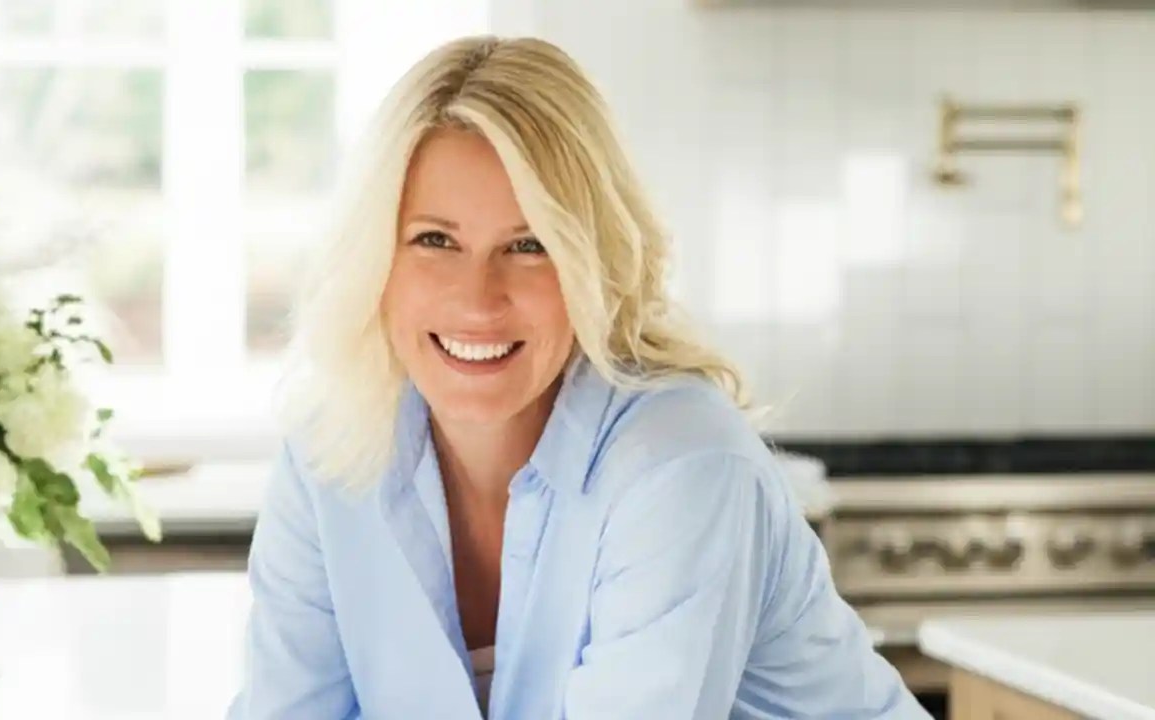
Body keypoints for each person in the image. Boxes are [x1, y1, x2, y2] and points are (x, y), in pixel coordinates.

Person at [227, 35, 927, 720]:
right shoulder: (331, 448)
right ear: (375, 256)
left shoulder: (679, 465)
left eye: (530, 245)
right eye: (435, 240)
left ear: (596, 266)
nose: (478, 299)